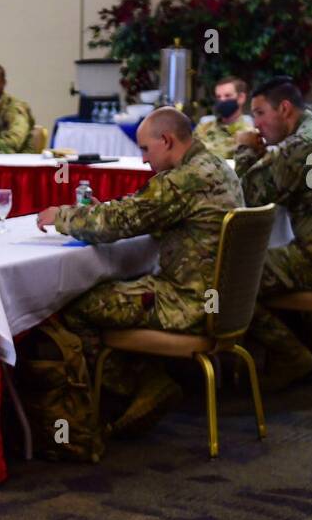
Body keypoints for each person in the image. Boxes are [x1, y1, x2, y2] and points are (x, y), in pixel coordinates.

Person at [35, 107, 244, 431]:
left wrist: (61, 216)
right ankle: (145, 380)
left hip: (187, 303)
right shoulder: (217, 167)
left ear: (167, 140)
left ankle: (138, 385)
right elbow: (145, 210)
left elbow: (119, 221)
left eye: (146, 149)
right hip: (224, 303)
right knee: (126, 282)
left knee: (72, 306)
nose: (144, 160)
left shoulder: (183, 179)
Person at [234, 76, 312, 388]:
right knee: (271, 260)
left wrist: (244, 150)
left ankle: (292, 355)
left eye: (260, 114)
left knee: (232, 275)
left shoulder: (302, 145)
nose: (257, 125)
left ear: (285, 109)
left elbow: (245, 196)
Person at [193, 76, 255, 159]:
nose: (222, 100)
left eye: (227, 96)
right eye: (218, 97)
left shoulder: (249, 132)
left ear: (241, 98)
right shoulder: (204, 128)